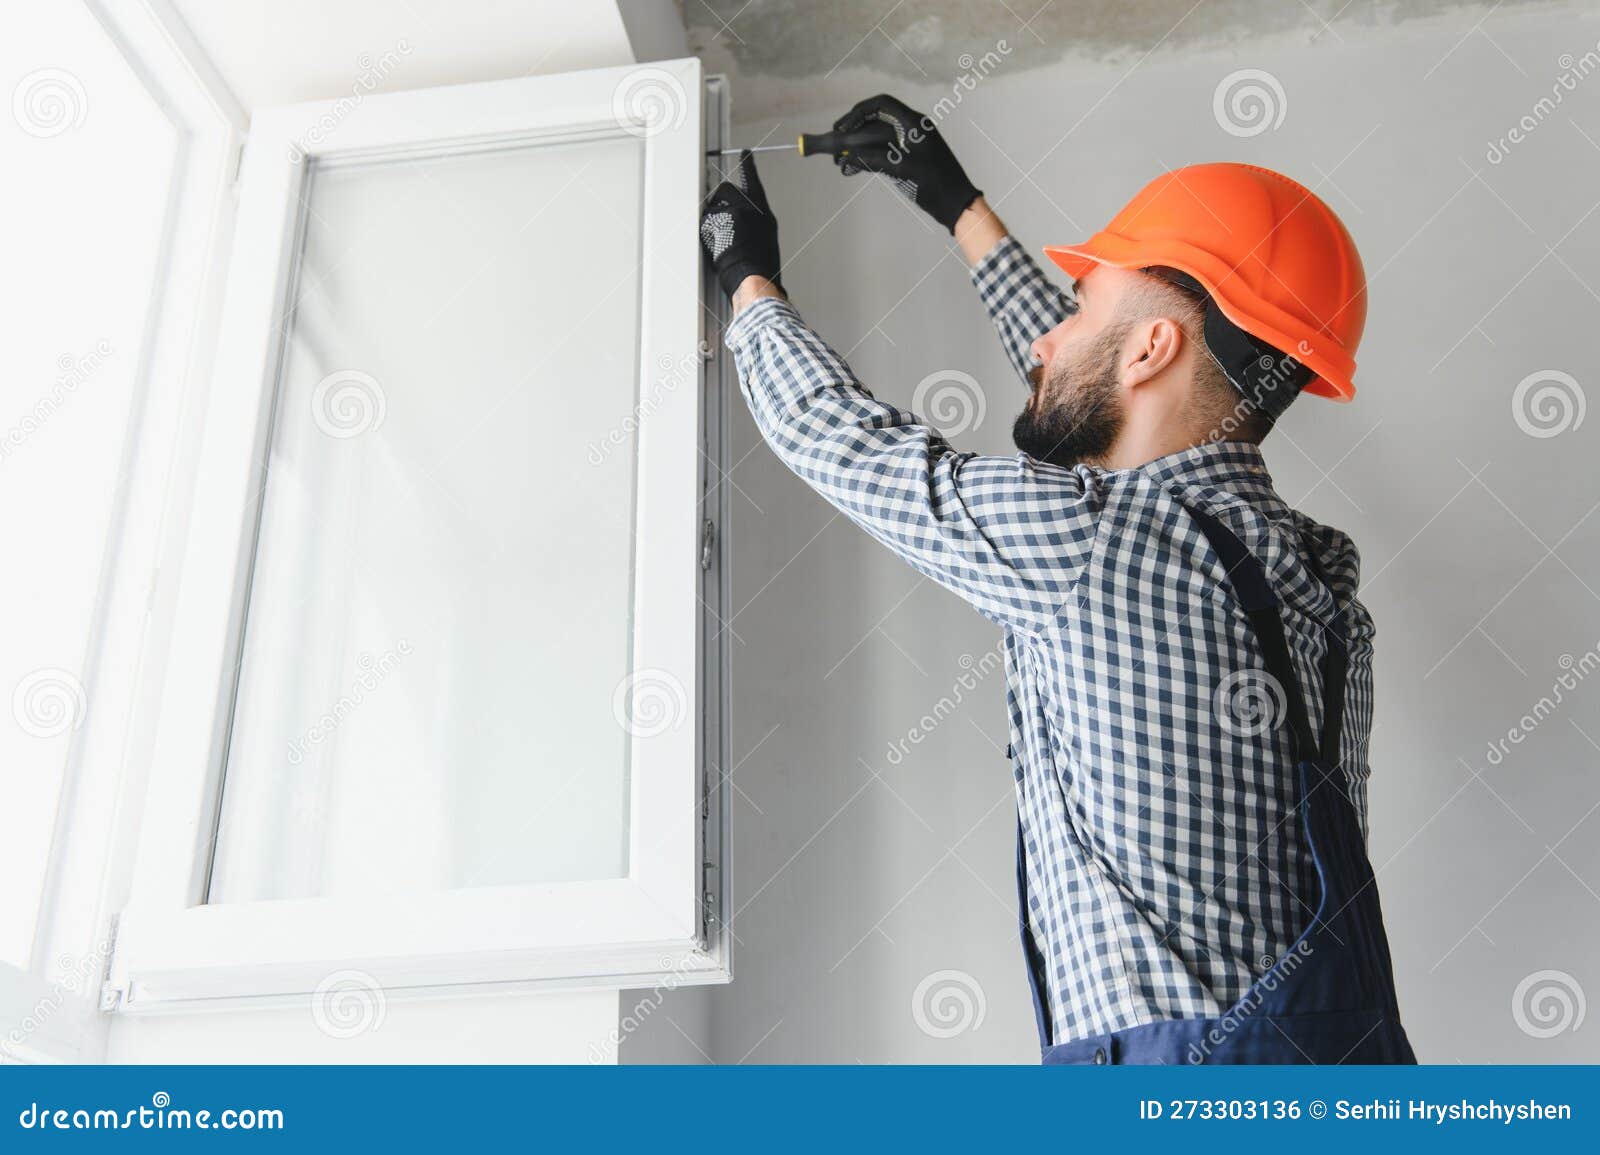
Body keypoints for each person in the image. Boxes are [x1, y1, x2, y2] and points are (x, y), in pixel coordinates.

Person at [701, 93, 1415, 1065]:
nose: (1048, 337)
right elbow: (1105, 396)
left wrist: (747, 281)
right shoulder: (1316, 587)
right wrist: (959, 209)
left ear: (1153, 349)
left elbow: (838, 440)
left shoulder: (1092, 540)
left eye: (1078, 306)